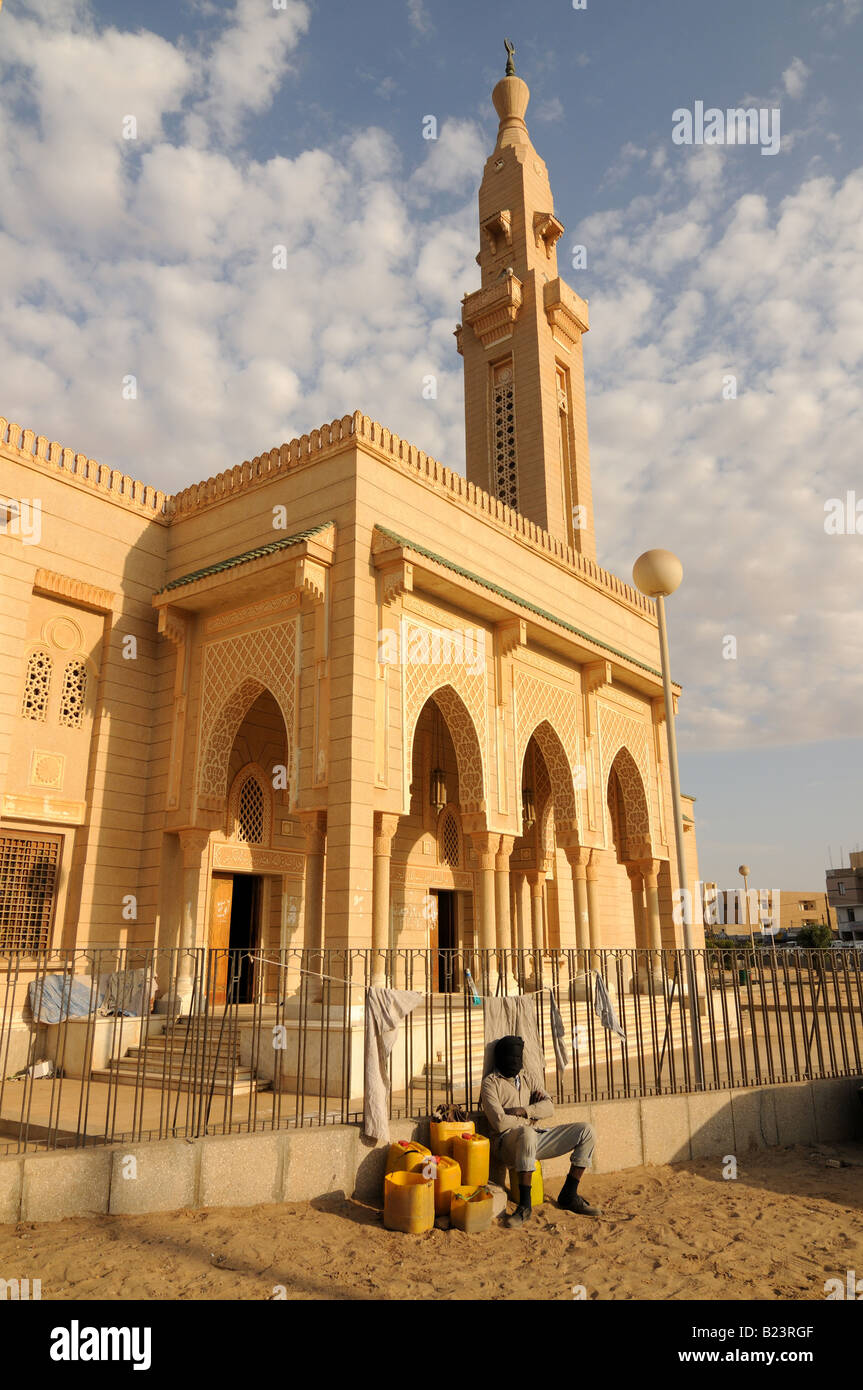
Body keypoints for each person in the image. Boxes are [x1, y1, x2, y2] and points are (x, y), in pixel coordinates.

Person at [480, 1034, 601, 1227]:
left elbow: (549, 1107)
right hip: (506, 1144)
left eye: (518, 1058)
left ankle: (569, 1194)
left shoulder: (528, 1078)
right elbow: (500, 1123)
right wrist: (532, 1116)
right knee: (526, 1134)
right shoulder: (490, 1083)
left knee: (586, 1131)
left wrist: (524, 1110)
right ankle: (525, 1206)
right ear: (500, 1057)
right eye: (511, 1058)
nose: (515, 1062)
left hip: (535, 1136)